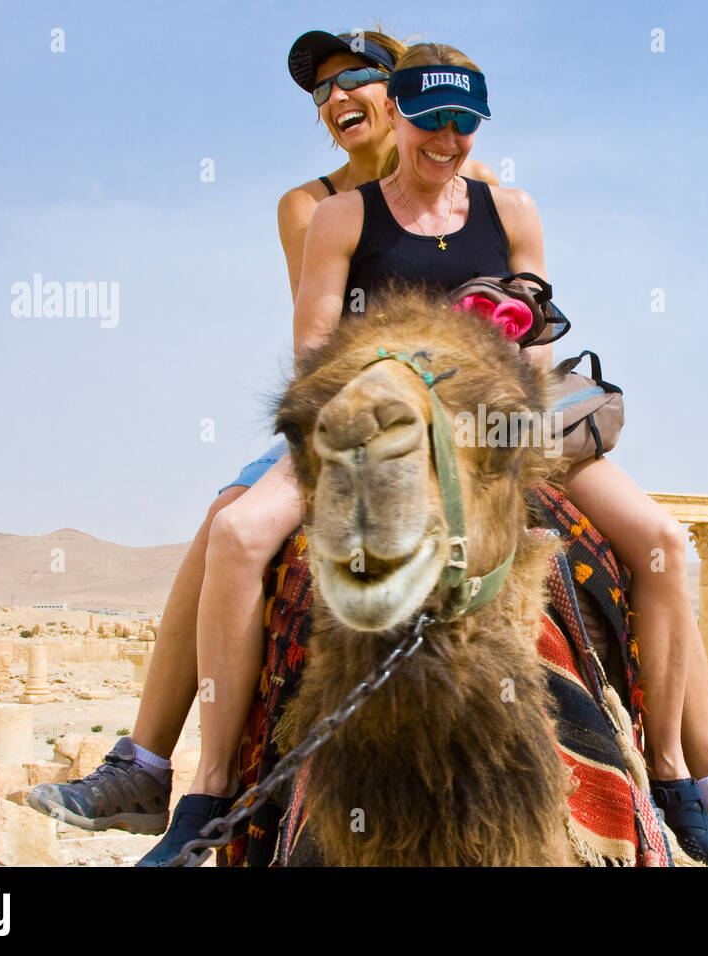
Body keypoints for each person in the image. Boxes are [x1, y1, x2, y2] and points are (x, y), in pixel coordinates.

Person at [281, 42, 708, 865]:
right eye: (431, 118)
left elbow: (539, 351)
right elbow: (313, 355)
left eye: (463, 122)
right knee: (240, 541)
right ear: (399, 113)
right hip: (383, 434)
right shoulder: (340, 215)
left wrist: (494, 353)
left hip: (504, 433)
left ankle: (691, 779)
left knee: (659, 542)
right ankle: (197, 793)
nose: (447, 136)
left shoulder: (510, 212)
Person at [25, 28, 498, 865]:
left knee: (616, 542)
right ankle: (152, 765)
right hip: (357, 405)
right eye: (321, 93)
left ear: (406, 91)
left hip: (470, 409)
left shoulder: (479, 186)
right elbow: (323, 344)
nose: (337, 99)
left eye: (357, 78)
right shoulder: (309, 206)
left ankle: (690, 769)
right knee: (227, 523)